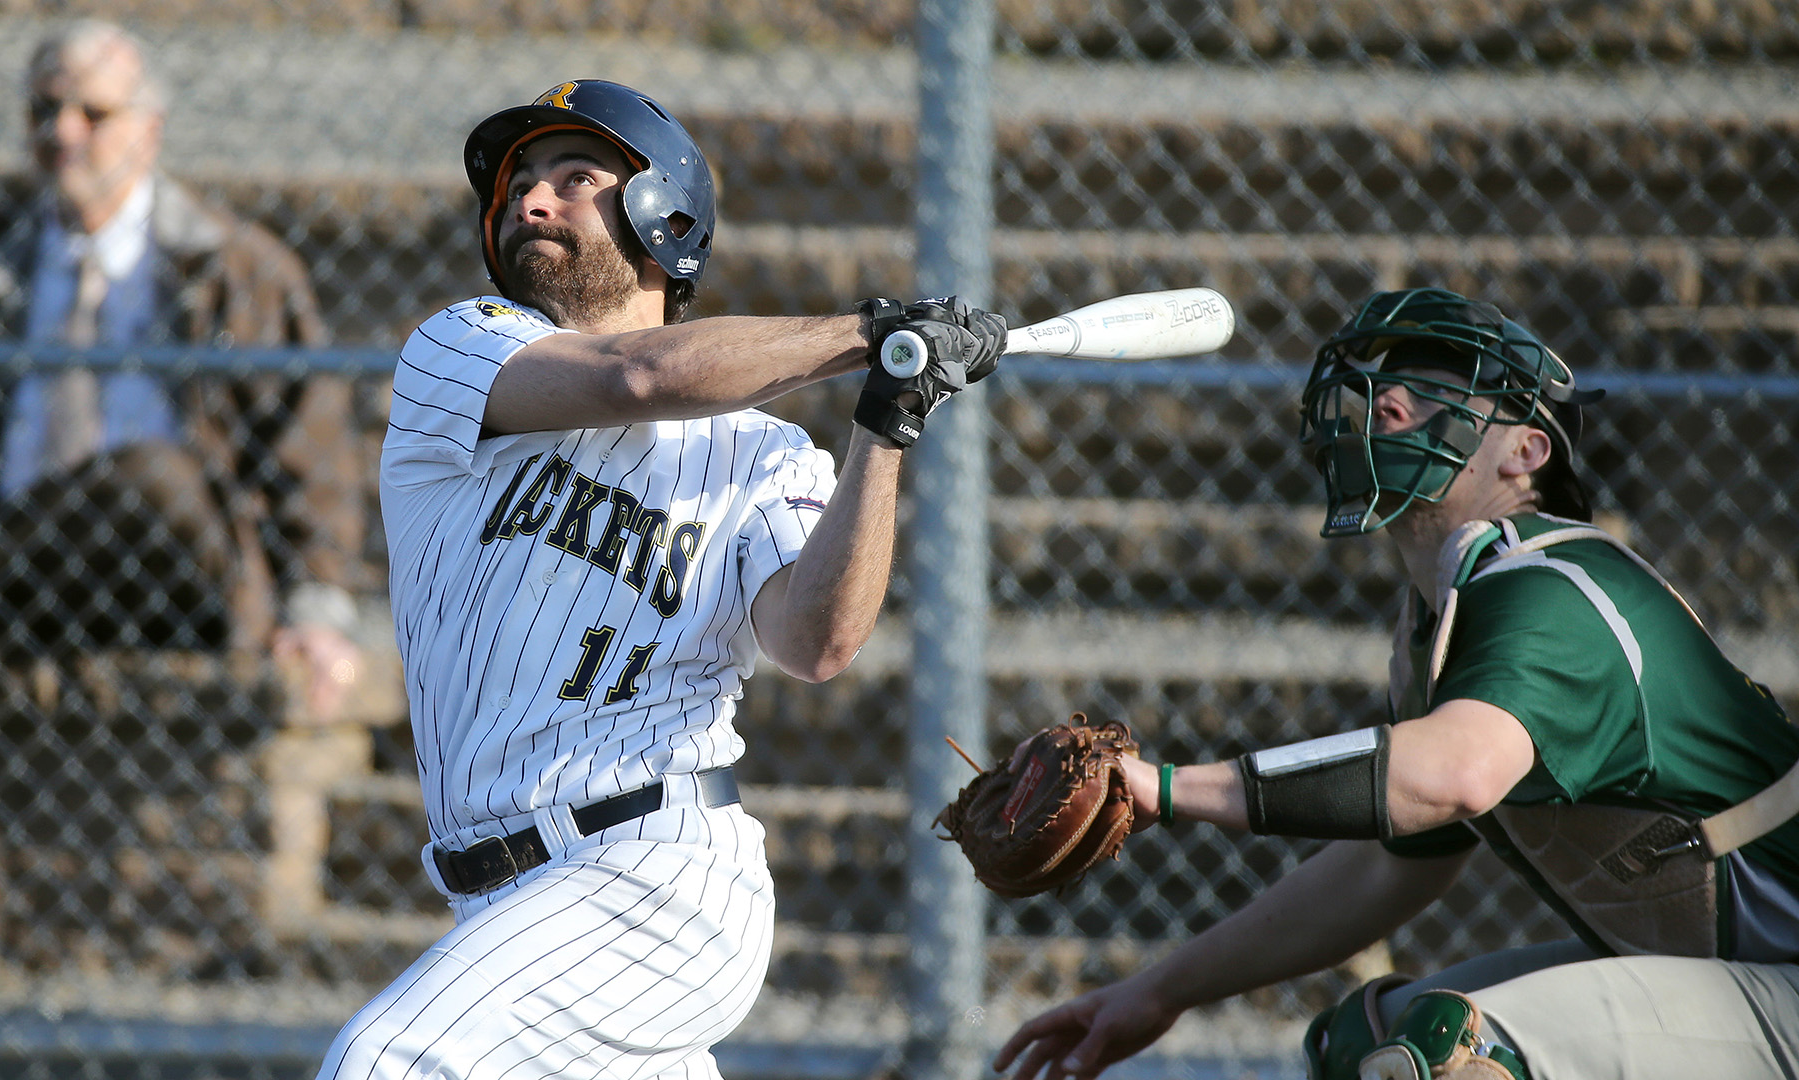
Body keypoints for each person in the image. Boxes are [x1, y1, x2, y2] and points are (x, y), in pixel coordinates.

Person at [315, 79, 1006, 1080]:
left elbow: (817, 640)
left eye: (574, 177)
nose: (531, 202)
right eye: (519, 189)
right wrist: (868, 330)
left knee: (392, 1062)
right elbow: (634, 378)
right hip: (501, 902)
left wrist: (886, 422)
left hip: (659, 877)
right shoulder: (457, 352)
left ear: (664, 213)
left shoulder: (767, 458)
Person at [994, 288, 1799, 1080]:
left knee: (1447, 1056)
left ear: (1526, 453)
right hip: (1731, 967)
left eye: (1439, 386)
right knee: (1358, 1046)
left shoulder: (1555, 589)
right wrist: (1159, 993)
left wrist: (1162, 789)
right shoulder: (1441, 620)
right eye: (1390, 380)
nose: (1390, 402)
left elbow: (1451, 774)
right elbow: (1391, 868)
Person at [0, 20, 370, 944]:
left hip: (182, 568)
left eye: (91, 110)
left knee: (150, 469)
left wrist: (316, 606)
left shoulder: (235, 266)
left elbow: (309, 447)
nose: (62, 132)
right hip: (21, 564)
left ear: (149, 129)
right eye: (44, 110)